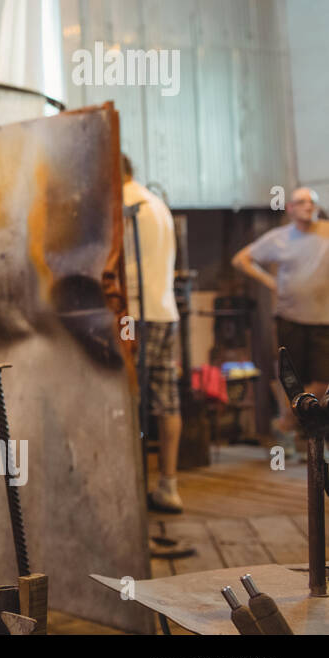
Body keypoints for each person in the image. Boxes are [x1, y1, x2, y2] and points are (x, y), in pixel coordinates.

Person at [232, 187, 329, 417]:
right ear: (290, 208)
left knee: (324, 380)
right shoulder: (280, 238)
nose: (308, 206)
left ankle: (289, 423)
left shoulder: (327, 233)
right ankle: (300, 429)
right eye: (302, 202)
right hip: (290, 318)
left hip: (323, 320)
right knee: (293, 381)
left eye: (312, 202)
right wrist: (270, 281)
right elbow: (241, 260)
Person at [123, 155, 184, 513]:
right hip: (164, 311)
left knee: (128, 400)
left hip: (133, 313)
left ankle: (129, 488)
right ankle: (168, 486)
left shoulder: (123, 202)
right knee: (166, 400)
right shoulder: (157, 203)